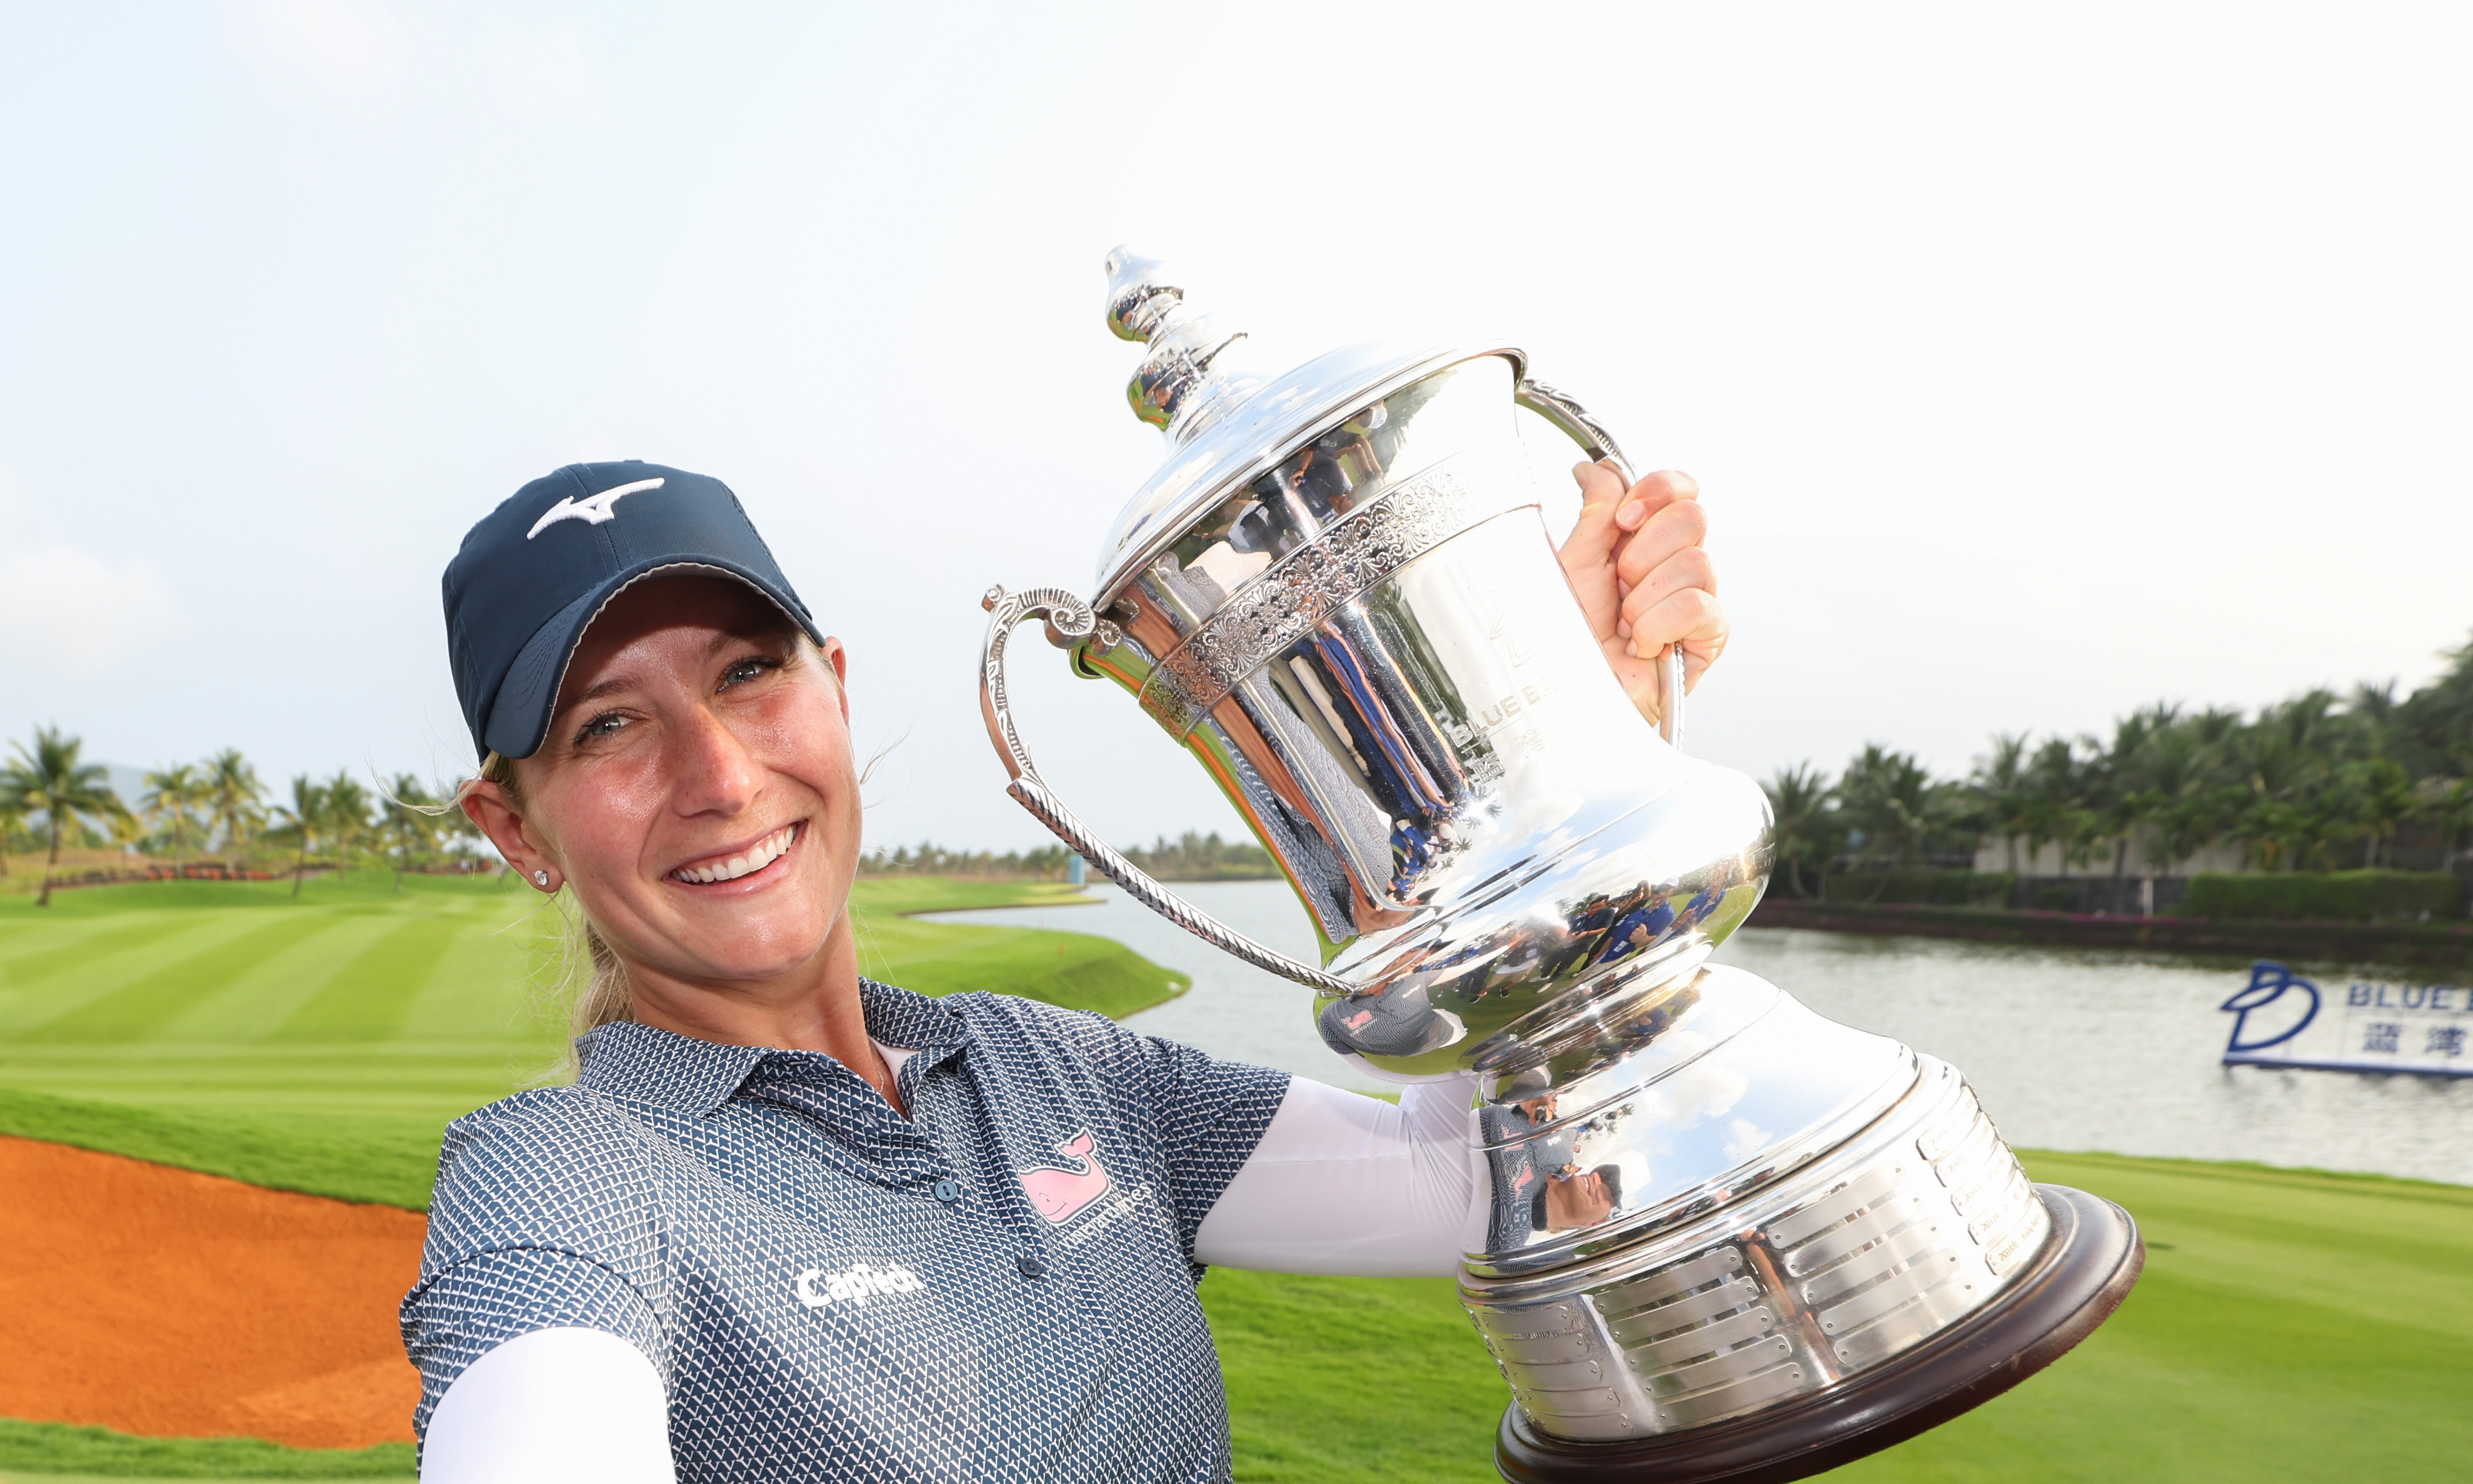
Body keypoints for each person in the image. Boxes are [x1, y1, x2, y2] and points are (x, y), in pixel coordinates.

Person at [402, 455, 1726, 1483]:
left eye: (749, 673)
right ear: (515, 829)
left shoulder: (1059, 1068)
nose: (722, 776)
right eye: (609, 725)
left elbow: (1467, 1182)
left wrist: (1537, 759)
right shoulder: (562, 1178)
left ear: (837, 690)